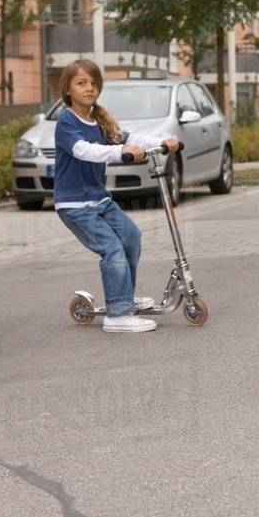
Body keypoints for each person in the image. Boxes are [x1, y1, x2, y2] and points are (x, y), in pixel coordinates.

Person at [53, 59, 180, 333]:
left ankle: (123, 296)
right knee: (112, 248)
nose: (89, 88)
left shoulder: (98, 119)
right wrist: (119, 153)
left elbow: (129, 138)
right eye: (81, 83)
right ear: (67, 89)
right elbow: (82, 150)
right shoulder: (66, 121)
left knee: (131, 236)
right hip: (74, 205)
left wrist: (162, 143)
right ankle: (118, 314)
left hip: (99, 199)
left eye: (94, 83)